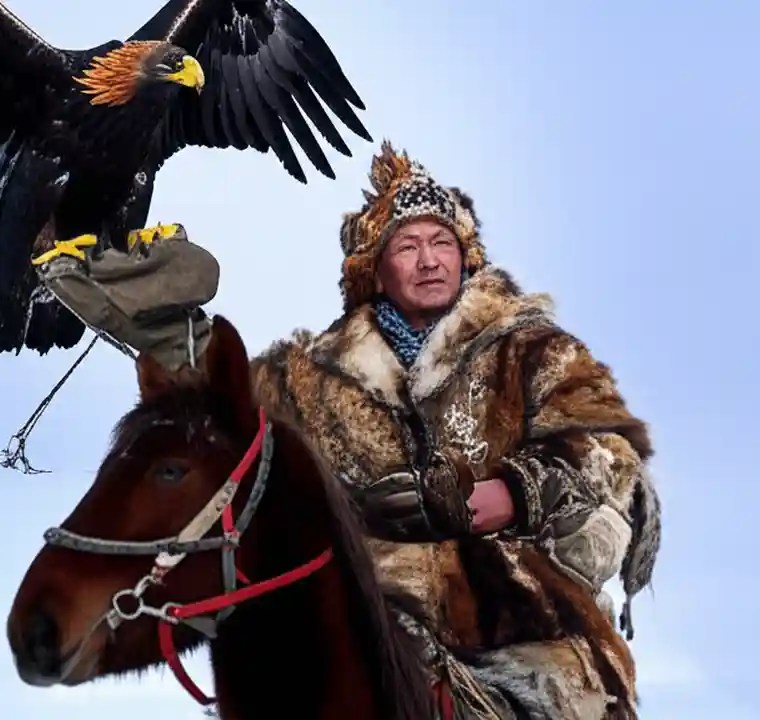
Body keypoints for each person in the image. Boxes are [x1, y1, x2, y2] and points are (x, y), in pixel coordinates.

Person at [35, 140, 662, 719]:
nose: (428, 260)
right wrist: (167, 328)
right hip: (374, 613)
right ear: (374, 268)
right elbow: (228, 420)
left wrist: (512, 493)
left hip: (522, 618)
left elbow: (608, 452)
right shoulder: (307, 377)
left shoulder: (532, 352)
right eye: (406, 246)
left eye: (441, 243)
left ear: (465, 254)